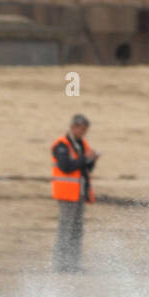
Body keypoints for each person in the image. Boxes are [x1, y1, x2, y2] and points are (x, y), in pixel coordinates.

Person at [50, 114, 99, 273]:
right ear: (74, 127)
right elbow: (66, 166)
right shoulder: (61, 145)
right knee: (65, 230)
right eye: (82, 129)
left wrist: (92, 160)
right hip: (66, 194)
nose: (84, 133)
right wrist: (85, 159)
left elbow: (85, 169)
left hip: (79, 193)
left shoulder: (82, 144)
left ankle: (73, 265)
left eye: (86, 130)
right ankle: (60, 265)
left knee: (77, 231)